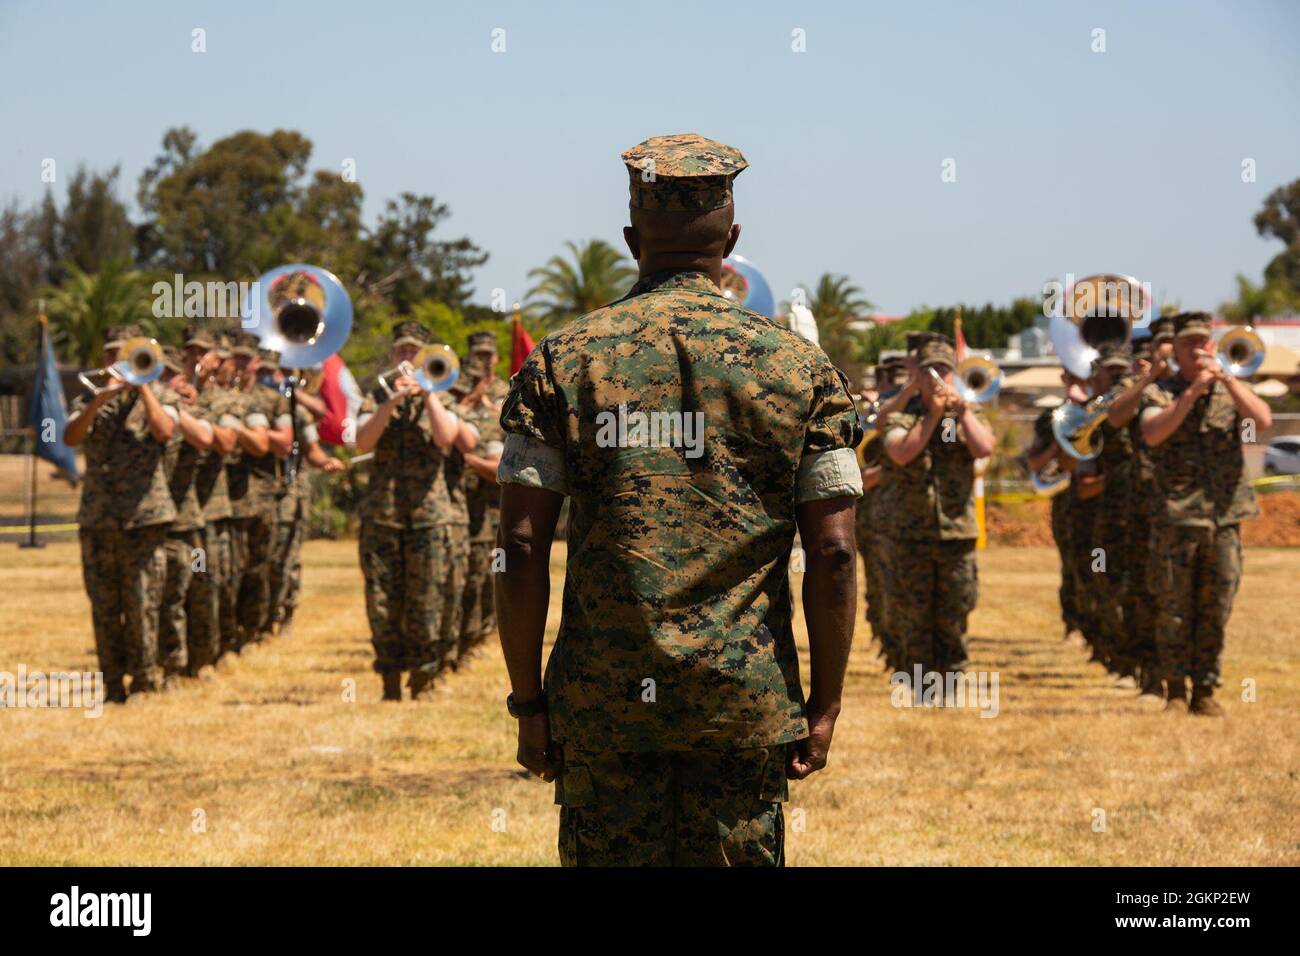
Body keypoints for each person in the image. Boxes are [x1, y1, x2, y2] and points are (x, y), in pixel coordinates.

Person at [495, 133, 862, 866]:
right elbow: (833, 549)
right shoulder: (799, 367)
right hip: (742, 704)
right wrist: (823, 704)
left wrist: (530, 703)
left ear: (632, 239)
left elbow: (522, 546)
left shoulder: (565, 360)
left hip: (605, 708)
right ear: (732, 238)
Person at [1138, 312, 1270, 715]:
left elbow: (1262, 422)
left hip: (1224, 517)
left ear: (1213, 346)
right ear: (1175, 350)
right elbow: (1153, 432)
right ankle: (1175, 689)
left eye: (1203, 342)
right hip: (1177, 519)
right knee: (1174, 607)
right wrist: (1191, 394)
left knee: (1217, 607)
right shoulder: (1161, 392)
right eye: (1188, 344)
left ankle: (1206, 689)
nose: (1197, 349)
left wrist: (1228, 379)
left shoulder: (1232, 390)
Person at [352, 322, 478, 701]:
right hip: (383, 514)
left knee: (428, 599)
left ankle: (423, 678)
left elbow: (446, 439)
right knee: (382, 600)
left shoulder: (446, 393)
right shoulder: (377, 394)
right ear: (393, 356)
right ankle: (389, 678)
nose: (407, 358)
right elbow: (360, 440)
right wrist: (391, 401)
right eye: (401, 352)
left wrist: (428, 396)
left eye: (414, 352)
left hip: (430, 515)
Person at [63, 325, 178, 702]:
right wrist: (101, 398)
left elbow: (164, 432)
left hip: (144, 518)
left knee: (144, 602)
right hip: (99, 518)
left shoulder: (159, 396)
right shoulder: (89, 397)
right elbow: (70, 437)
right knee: (105, 605)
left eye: (127, 356)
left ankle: (146, 681)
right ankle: (112, 683)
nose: (119, 362)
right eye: (113, 355)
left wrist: (143, 388)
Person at [882, 334, 995, 678]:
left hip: (956, 531)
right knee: (913, 613)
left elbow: (984, 448)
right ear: (918, 376)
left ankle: (952, 678)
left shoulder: (967, 411)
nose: (938, 379)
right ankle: (920, 683)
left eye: (944, 371)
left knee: (955, 611)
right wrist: (930, 417)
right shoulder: (902, 415)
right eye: (930, 371)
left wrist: (961, 415)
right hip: (910, 532)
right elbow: (901, 453)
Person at [156, 346, 216, 686]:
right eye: (158, 374)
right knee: (163, 597)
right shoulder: (145, 407)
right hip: (151, 521)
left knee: (199, 590)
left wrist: (176, 410)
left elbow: (206, 437)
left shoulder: (192, 405)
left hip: (188, 521)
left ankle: (200, 659)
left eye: (168, 374)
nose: (162, 381)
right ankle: (167, 667)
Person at [454, 335, 507, 666]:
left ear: (496, 358)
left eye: (488, 355)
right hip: (456, 499)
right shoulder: (455, 391)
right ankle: (457, 639)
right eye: (477, 355)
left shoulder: (505, 393)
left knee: (487, 574)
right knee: (459, 575)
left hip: (490, 504)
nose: (483, 361)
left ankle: (479, 632)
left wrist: (470, 460)